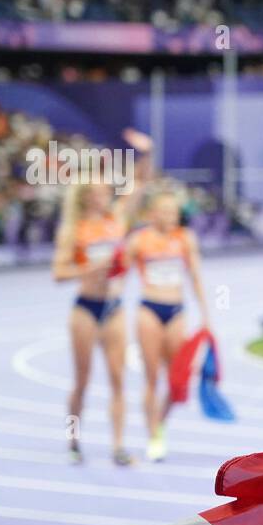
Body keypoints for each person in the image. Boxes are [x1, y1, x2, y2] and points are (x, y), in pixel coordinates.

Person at [124, 191, 210, 461]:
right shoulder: (139, 240)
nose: (169, 217)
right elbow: (120, 272)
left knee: (176, 379)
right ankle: (152, 435)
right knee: (151, 377)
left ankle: (159, 422)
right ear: (152, 214)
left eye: (173, 212)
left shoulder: (185, 238)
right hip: (149, 309)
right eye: (163, 211)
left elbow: (195, 276)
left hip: (176, 310)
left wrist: (206, 314)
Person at [51, 183, 132, 465]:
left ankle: (119, 446)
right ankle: (73, 442)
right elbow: (58, 273)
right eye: (98, 192)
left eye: (107, 191)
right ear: (86, 197)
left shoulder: (116, 221)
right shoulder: (73, 229)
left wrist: (146, 153)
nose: (105, 196)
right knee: (82, 381)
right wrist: (90, 269)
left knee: (118, 379)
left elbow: (140, 186)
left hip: (114, 306)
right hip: (85, 307)